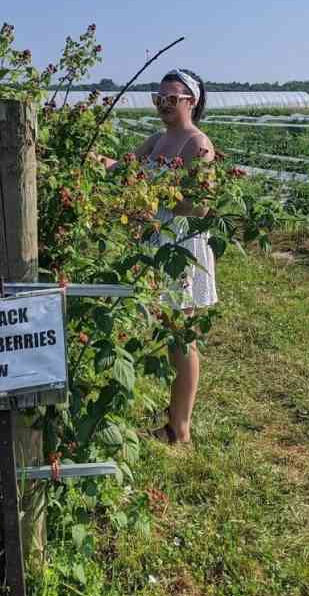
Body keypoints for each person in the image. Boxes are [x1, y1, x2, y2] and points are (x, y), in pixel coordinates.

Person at [93, 69, 217, 444]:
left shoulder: (199, 145)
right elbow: (125, 171)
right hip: (154, 241)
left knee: (181, 336)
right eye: (158, 98)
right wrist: (97, 158)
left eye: (171, 98)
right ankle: (171, 417)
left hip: (180, 246)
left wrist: (158, 194)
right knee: (166, 330)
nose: (162, 105)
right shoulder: (157, 139)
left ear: (190, 102)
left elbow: (202, 207)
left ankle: (180, 430)